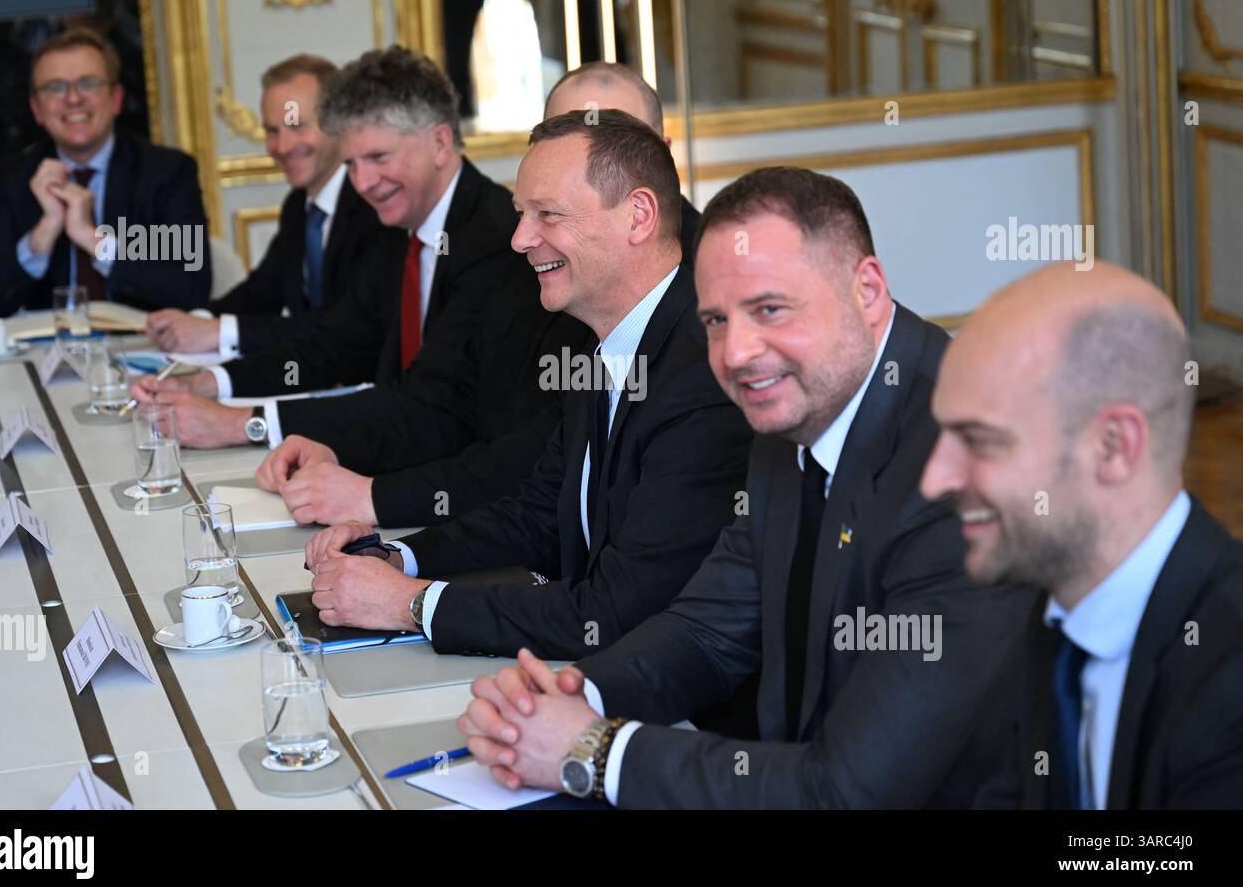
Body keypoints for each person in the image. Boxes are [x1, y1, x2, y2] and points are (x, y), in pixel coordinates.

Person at [456, 167, 1032, 807]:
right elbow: (710, 628)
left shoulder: (965, 468)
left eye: (769, 310)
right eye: (716, 321)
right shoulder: (801, 397)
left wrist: (592, 750)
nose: (737, 353)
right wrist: (571, 697)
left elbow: (845, 791)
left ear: (867, 290)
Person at [300, 110, 753, 661]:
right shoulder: (602, 338)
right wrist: (398, 558)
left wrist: (412, 604)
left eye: (548, 215)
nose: (519, 239)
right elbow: (540, 515)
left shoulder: (706, 376)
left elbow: (616, 614)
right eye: (520, 214)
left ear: (638, 216)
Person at [253, 61, 699, 528]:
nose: (582, 157)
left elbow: (537, 463)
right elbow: (450, 402)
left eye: (615, 138)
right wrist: (390, 542)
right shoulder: (529, 254)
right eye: (561, 136)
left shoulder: (700, 300)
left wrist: (376, 503)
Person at [920, 261, 1243, 809]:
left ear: (1114, 448)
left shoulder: (1228, 683)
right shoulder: (1053, 602)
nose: (934, 480)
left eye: (979, 440)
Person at [129, 45, 517, 448]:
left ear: (439, 142)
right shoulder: (401, 224)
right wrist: (209, 384)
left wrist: (242, 424)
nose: (363, 183)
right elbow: (334, 342)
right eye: (351, 164)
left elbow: (431, 407)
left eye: (378, 157)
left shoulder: (493, 238)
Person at [145, 54, 385, 356]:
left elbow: (343, 324)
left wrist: (220, 332)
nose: (282, 147)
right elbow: (262, 292)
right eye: (272, 131)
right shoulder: (299, 205)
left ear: (338, 123)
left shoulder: (375, 204)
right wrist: (195, 320)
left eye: (296, 126)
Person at [0, 27, 210, 317]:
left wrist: (93, 240)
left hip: (147, 349)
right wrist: (45, 229)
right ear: (37, 110)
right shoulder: (16, 178)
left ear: (116, 98)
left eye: (88, 84)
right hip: (51, 351)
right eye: (56, 87)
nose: (73, 99)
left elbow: (191, 289)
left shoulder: (167, 172)